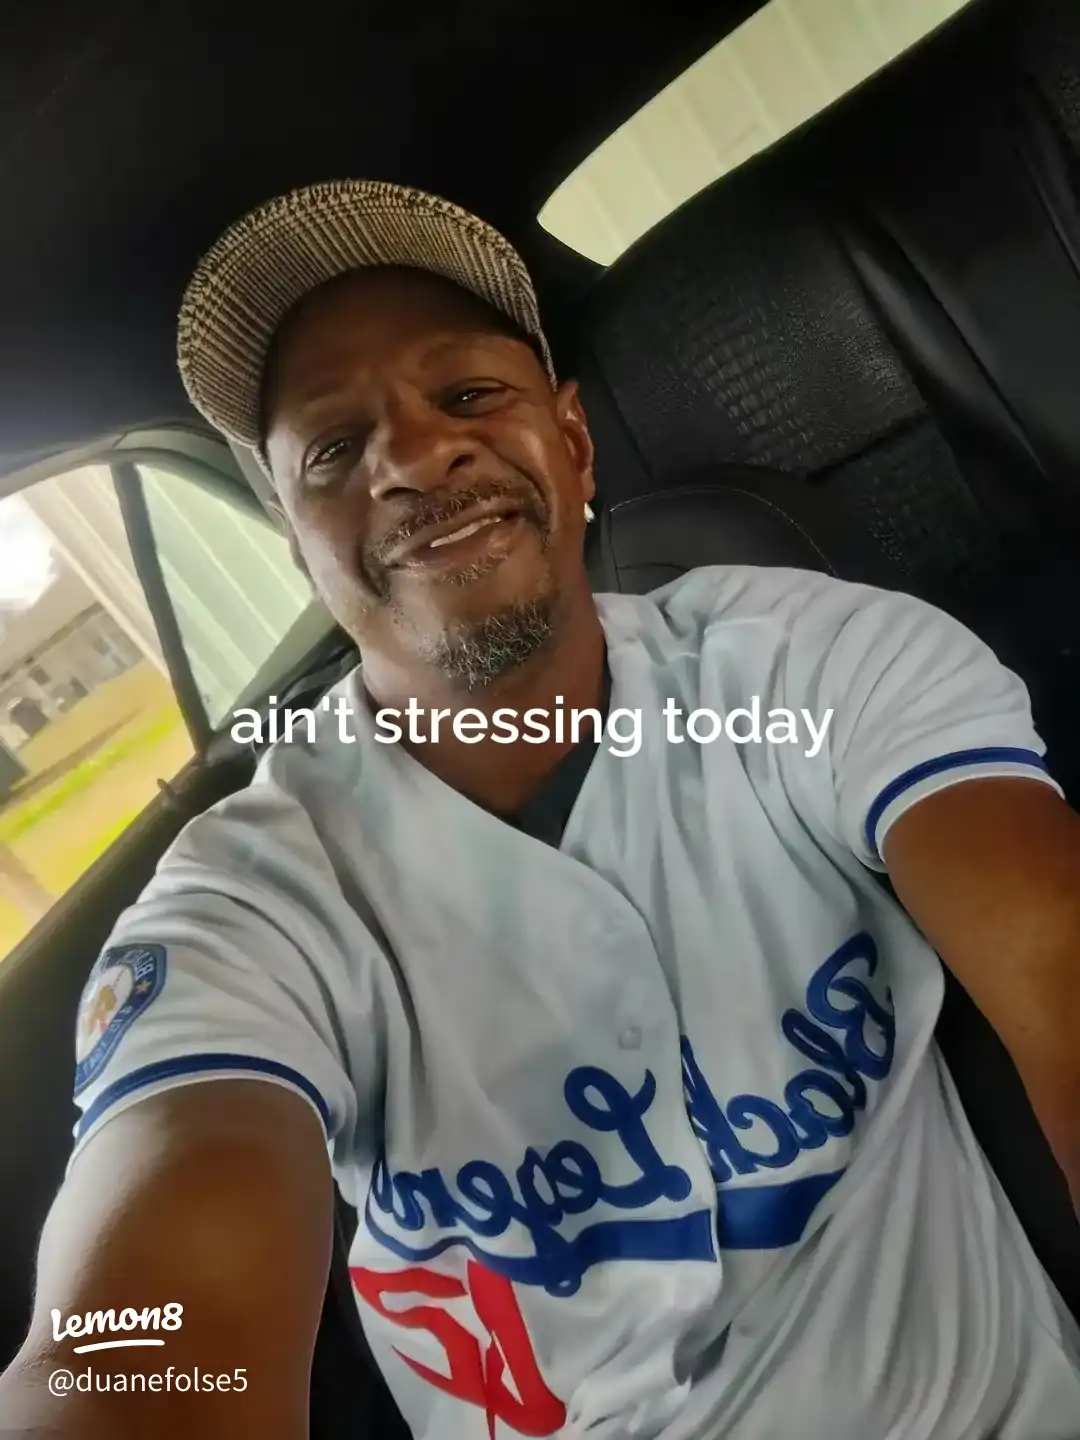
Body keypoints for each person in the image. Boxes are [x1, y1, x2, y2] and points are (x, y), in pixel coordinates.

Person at [1, 178, 1078, 1440]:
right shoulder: (251, 908)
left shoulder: (804, 667)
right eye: (337, 452)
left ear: (573, 444)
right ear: (299, 545)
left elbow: (1056, 949)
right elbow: (132, 1347)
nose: (412, 454)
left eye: (468, 397)